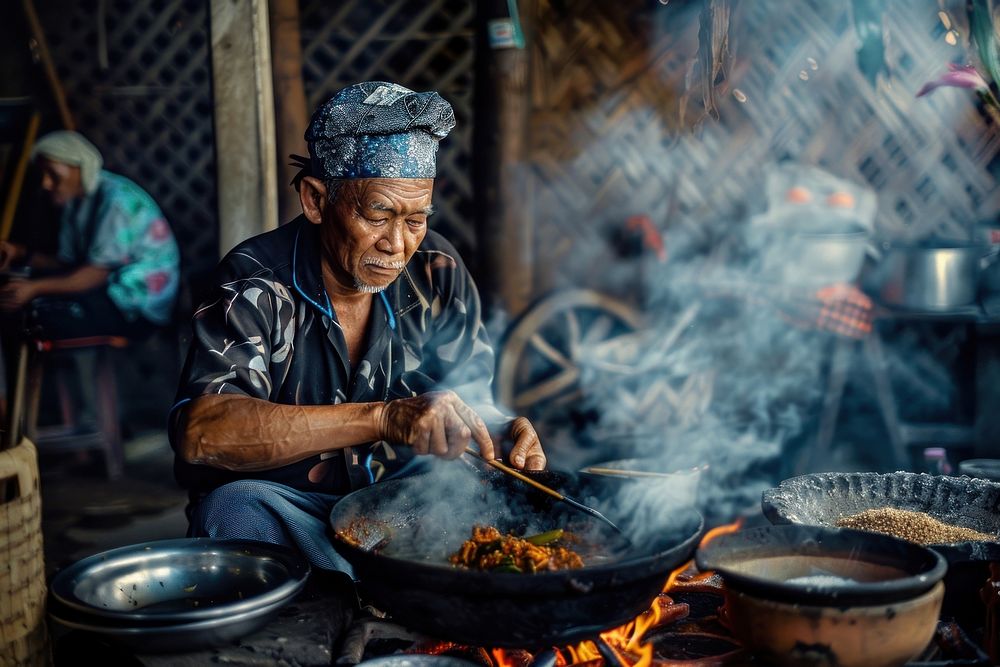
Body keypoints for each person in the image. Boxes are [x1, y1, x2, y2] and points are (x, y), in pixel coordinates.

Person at [169, 81, 545, 575]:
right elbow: (204, 433)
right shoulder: (254, 283)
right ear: (315, 200)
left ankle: (375, 587)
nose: (397, 244)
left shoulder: (437, 270)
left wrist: (498, 429)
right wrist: (383, 418)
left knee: (486, 495)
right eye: (378, 215)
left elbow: (467, 398)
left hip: (400, 508)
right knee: (234, 508)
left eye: (416, 220)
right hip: (294, 512)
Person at [0, 131, 180, 339]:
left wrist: (34, 288)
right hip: (107, 290)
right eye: (43, 175)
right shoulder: (74, 202)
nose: (45, 183)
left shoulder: (115, 201)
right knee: (30, 307)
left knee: (38, 317)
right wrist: (18, 252)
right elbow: (66, 263)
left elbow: (95, 275)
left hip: (139, 307)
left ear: (79, 167)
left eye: (52, 173)